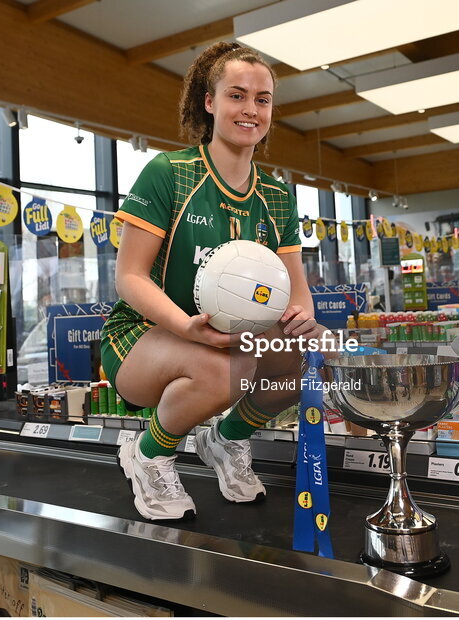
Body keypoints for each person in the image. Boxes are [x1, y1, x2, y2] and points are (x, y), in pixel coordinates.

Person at [102, 42, 323, 521]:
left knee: (314, 356)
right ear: (209, 102)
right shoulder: (169, 174)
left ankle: (227, 439)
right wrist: (185, 327)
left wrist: (304, 321)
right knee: (230, 369)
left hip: (232, 340)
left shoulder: (277, 195)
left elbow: (295, 286)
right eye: (237, 95)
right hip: (143, 338)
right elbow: (129, 277)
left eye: (262, 100)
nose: (250, 110)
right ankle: (148, 454)